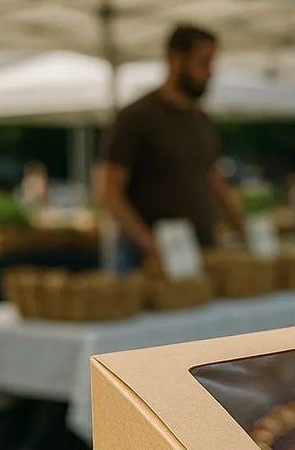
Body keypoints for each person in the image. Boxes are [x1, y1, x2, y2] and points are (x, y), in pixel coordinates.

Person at [97, 24, 243, 270]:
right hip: (149, 262)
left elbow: (214, 179)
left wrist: (241, 228)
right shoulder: (137, 117)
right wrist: (149, 245)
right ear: (175, 60)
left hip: (200, 252)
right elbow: (109, 192)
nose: (210, 73)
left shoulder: (201, 121)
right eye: (203, 62)